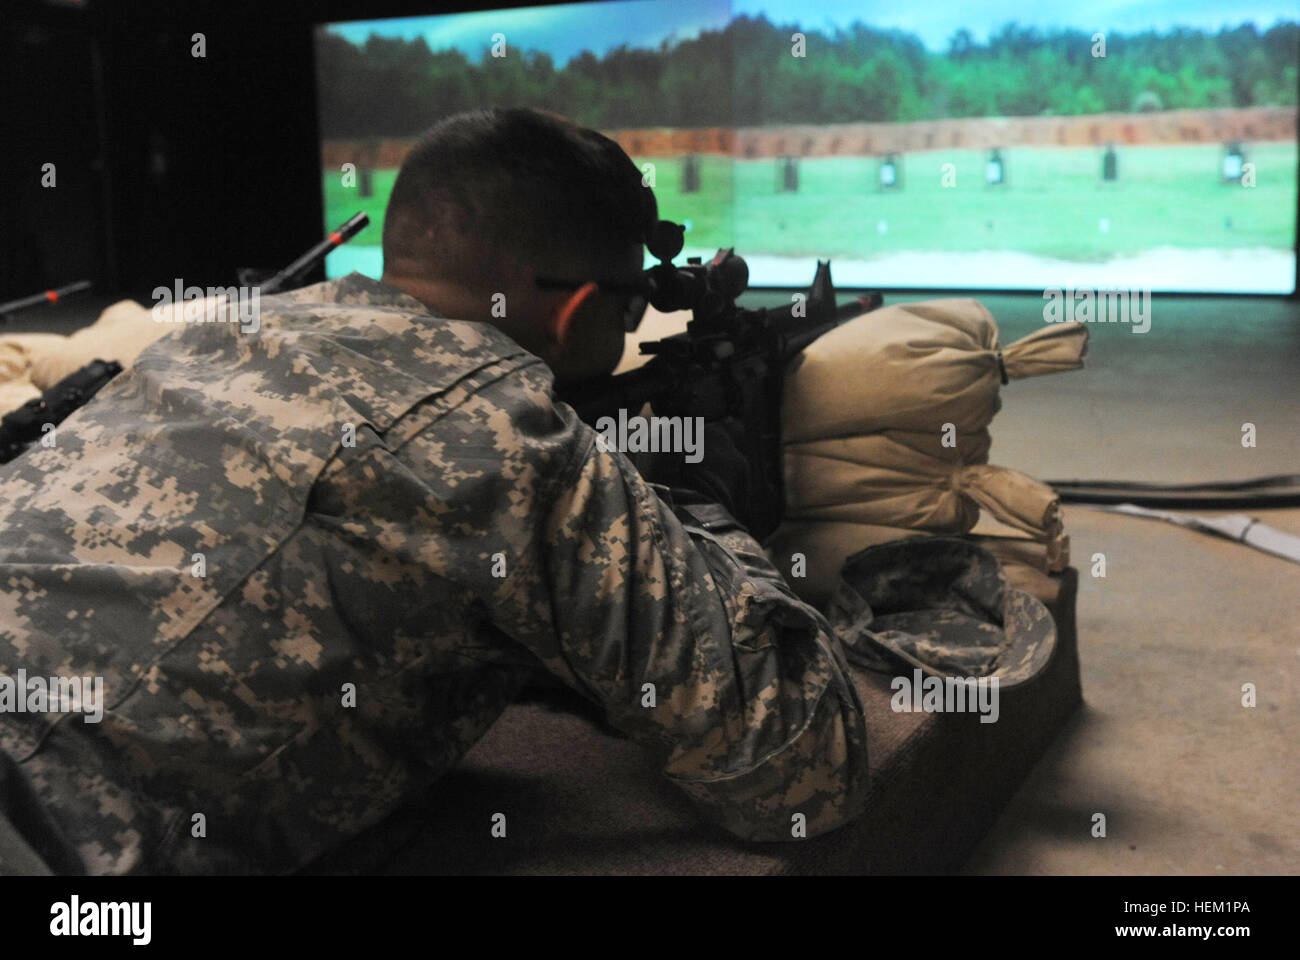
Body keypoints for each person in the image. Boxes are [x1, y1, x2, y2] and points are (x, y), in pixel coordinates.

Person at [0, 107, 869, 874]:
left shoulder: (222, 334)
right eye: (631, 308)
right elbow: (801, 761)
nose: (635, 329)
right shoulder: (510, 438)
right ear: (573, 313)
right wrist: (697, 502)